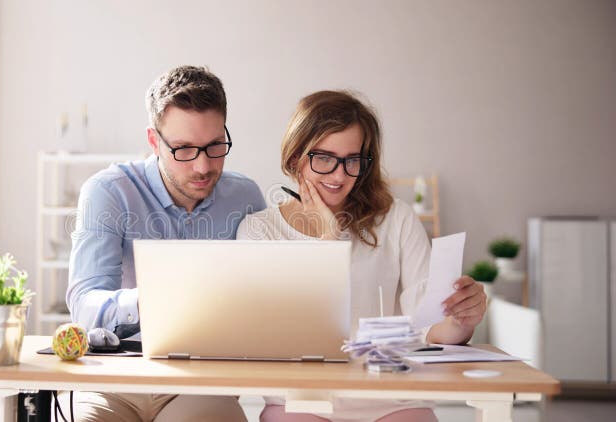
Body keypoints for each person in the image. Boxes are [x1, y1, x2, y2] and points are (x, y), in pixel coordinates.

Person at [237, 90, 487, 422]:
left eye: (352, 160)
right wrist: (328, 238)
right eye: (324, 158)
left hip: (393, 398)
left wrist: (461, 319)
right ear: (296, 157)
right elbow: (274, 332)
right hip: (301, 398)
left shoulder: (396, 219)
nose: (340, 175)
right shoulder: (259, 230)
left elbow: (430, 326)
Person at [64, 66, 266, 421]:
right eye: (184, 149)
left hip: (200, 381)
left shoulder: (244, 195)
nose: (203, 166)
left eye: (216, 146)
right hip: (113, 378)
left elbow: (265, 295)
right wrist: (159, 299)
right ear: (154, 141)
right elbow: (84, 304)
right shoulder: (108, 192)